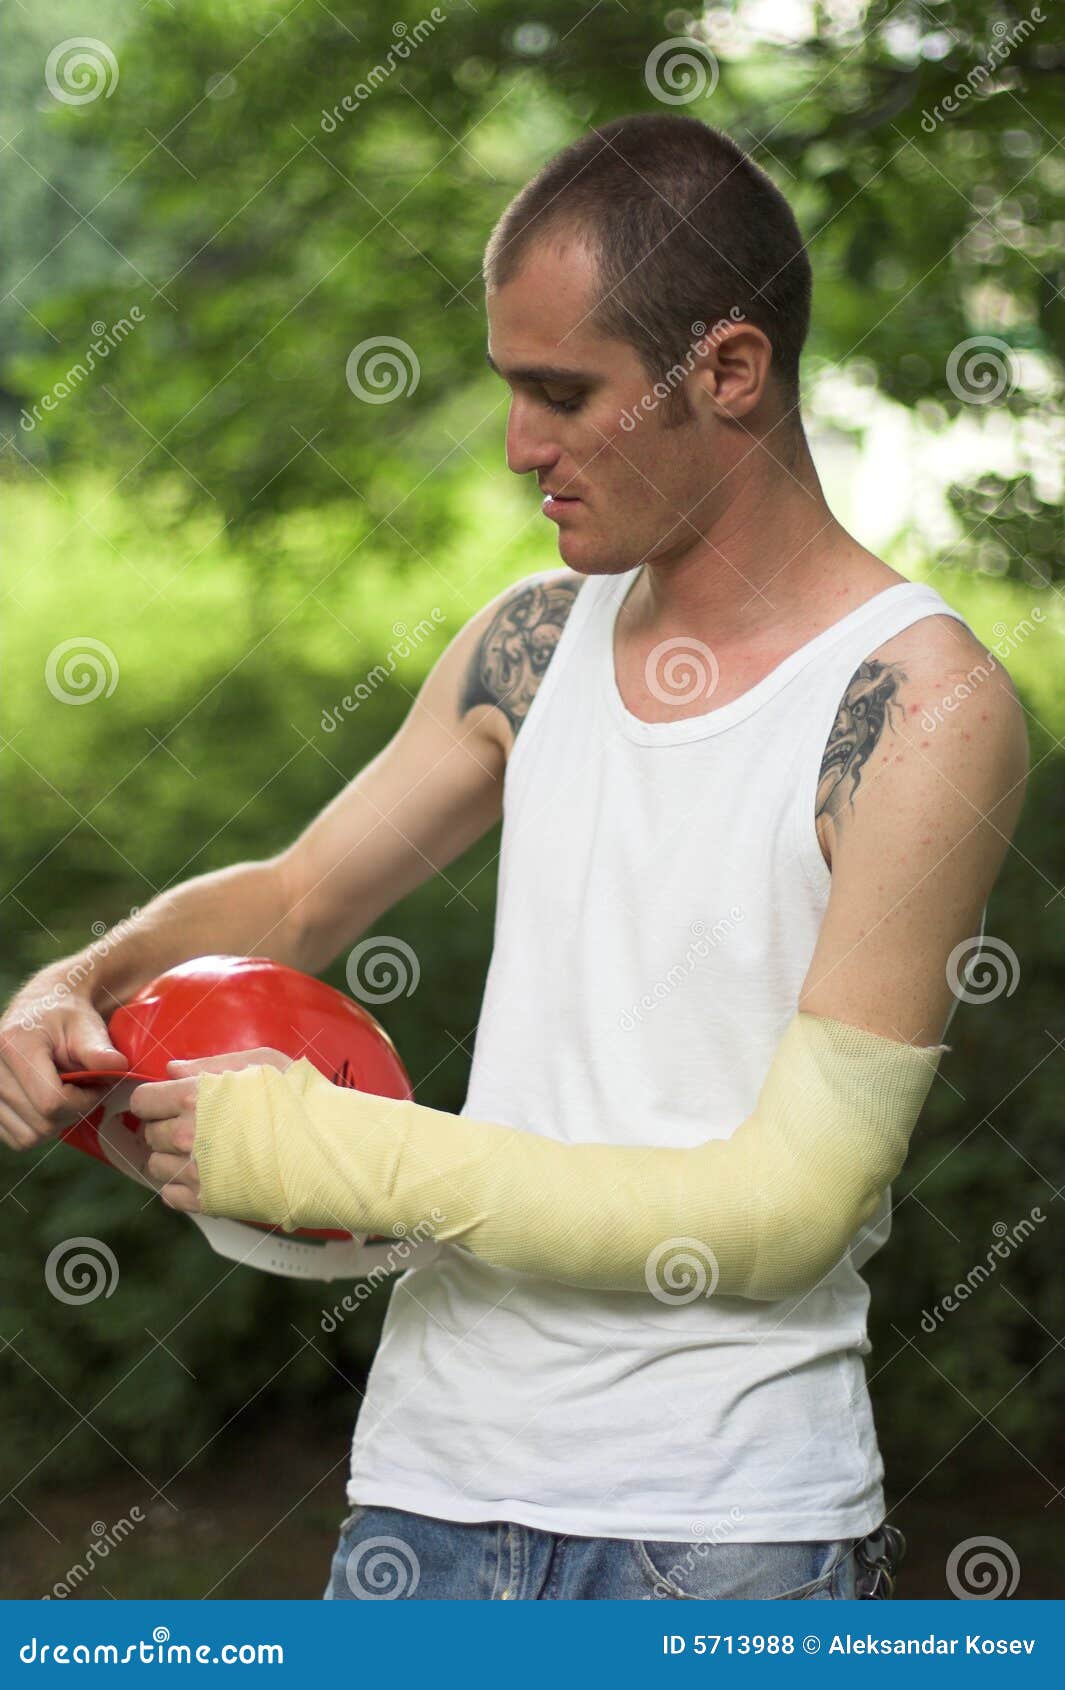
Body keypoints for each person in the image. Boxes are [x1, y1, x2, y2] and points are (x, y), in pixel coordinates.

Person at [1, 115, 1028, 1601]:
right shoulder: (529, 646)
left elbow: (790, 1205)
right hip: (427, 1490)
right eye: (510, 390)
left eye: (563, 395)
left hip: (722, 1530)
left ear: (728, 371)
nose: (518, 448)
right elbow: (294, 896)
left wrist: (340, 1151)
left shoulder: (921, 705)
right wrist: (76, 981)